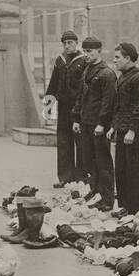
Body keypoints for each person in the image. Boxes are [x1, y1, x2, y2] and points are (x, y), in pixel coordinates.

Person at [72, 36, 117, 210]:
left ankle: (107, 198)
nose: (86, 55)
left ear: (99, 51)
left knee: (103, 161)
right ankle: (96, 191)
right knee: (89, 161)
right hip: (86, 122)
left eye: (89, 51)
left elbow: (108, 102)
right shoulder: (87, 71)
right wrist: (76, 118)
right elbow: (80, 97)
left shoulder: (106, 73)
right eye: (84, 51)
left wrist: (102, 123)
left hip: (98, 125)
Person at [108, 42, 139, 214]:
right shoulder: (123, 77)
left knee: (134, 173)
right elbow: (119, 107)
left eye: (117, 57)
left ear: (128, 58)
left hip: (134, 133)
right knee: (122, 171)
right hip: (123, 131)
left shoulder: (138, 79)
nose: (114, 60)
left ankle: (136, 210)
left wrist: (132, 129)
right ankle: (125, 207)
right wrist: (114, 127)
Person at [44, 30, 83, 187]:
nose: (67, 46)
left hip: (78, 108)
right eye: (65, 43)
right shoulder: (59, 61)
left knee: (80, 143)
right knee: (64, 143)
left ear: (76, 43)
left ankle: (81, 179)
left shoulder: (83, 61)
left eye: (70, 43)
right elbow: (53, 84)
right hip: (63, 108)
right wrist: (47, 108)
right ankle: (65, 178)